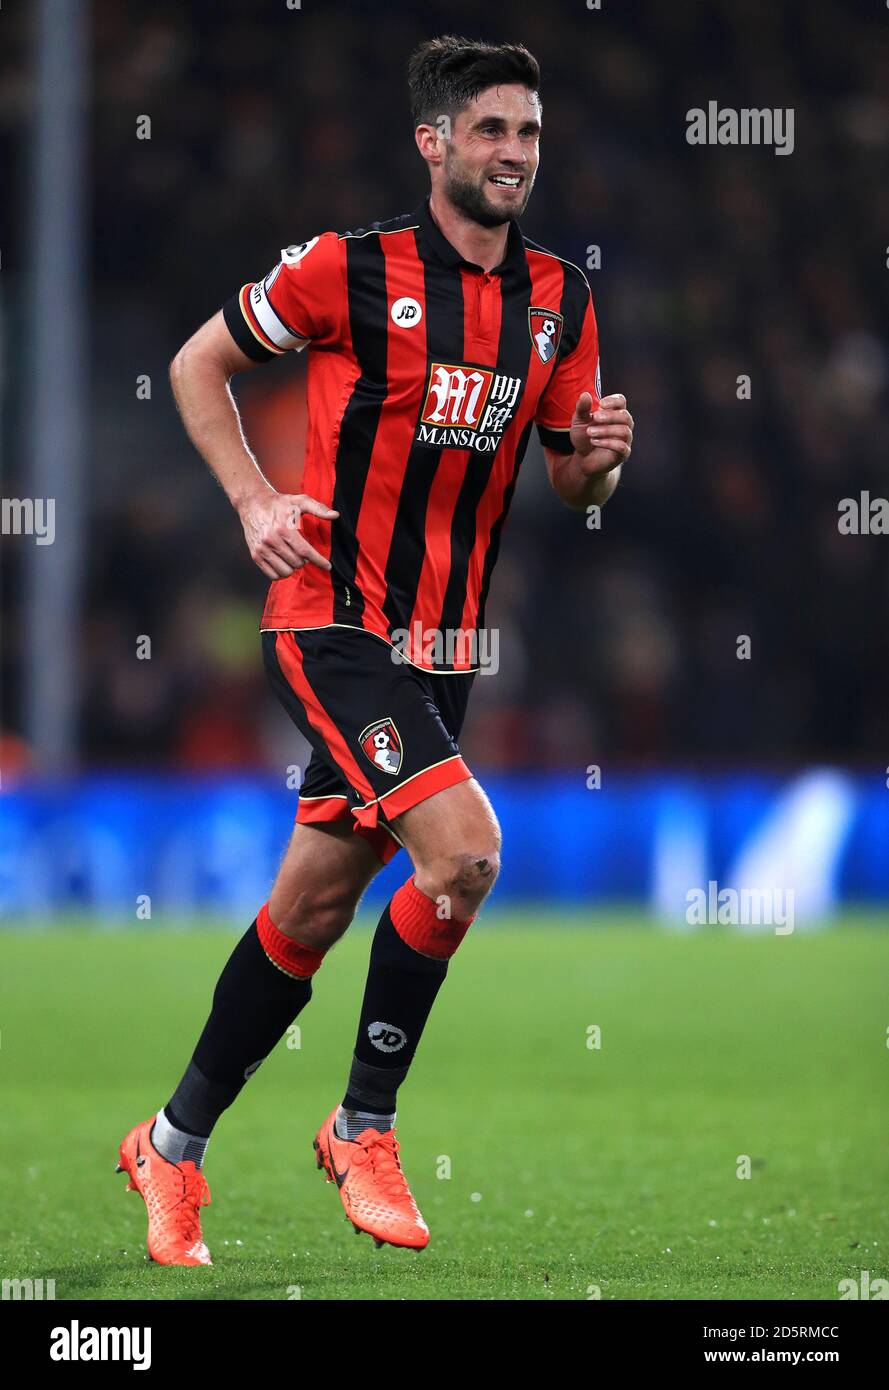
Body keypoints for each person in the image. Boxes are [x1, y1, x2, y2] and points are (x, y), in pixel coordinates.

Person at [116, 33, 633, 1264]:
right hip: (331, 621)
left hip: (444, 645)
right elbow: (198, 362)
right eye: (492, 129)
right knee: (463, 858)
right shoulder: (349, 271)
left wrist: (602, 463)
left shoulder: (560, 298)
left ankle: (169, 1145)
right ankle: (362, 1125)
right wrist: (252, 500)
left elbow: (574, 481)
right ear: (435, 142)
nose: (515, 153)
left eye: (530, 132)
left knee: (313, 902)